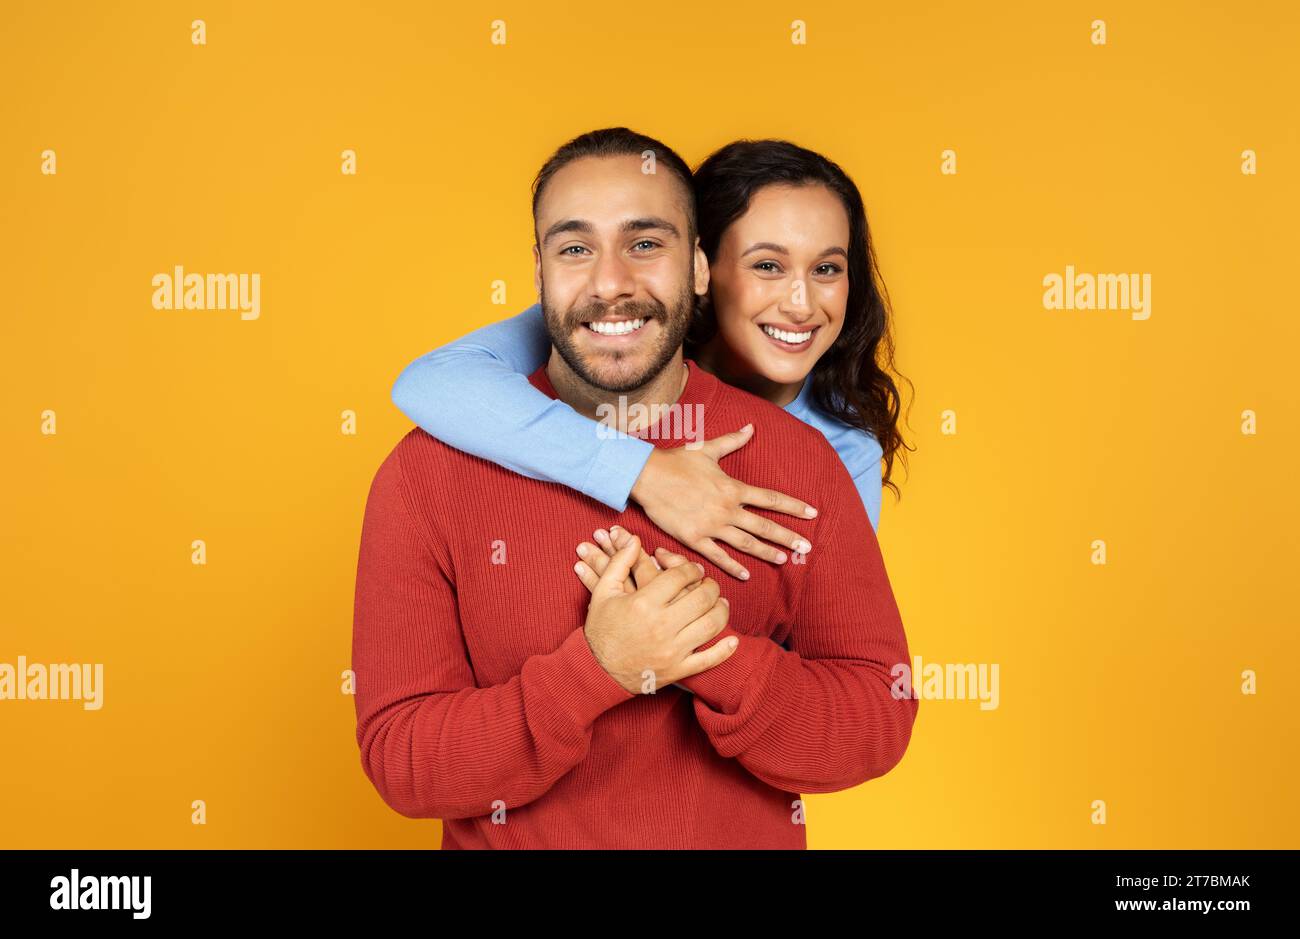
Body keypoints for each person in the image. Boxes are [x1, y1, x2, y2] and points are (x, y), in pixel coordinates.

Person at [352, 127, 917, 849]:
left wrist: (714, 653)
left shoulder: (809, 463)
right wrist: (599, 669)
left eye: (646, 243)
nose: (611, 281)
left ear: (700, 268)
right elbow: (404, 763)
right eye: (575, 247)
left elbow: (875, 719)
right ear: (538, 272)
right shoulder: (426, 474)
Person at [390, 138, 910, 581]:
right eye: (768, 265)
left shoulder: (839, 449)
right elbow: (432, 382)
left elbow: (826, 639)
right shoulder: (613, 329)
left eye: (826, 269)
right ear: (698, 267)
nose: (800, 304)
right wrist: (646, 473)